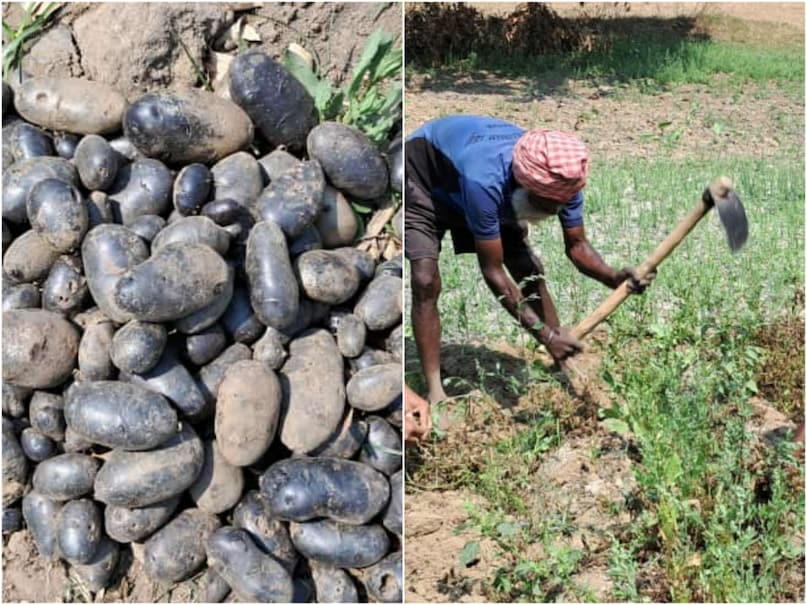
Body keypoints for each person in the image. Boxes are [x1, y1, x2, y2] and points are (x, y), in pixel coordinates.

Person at [405, 115, 653, 407]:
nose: (554, 211)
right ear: (523, 186)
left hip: (485, 184)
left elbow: (578, 246)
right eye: (546, 205)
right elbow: (493, 273)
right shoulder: (486, 181)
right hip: (427, 181)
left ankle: (560, 358)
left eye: (559, 205)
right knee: (425, 281)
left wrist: (612, 278)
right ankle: (435, 391)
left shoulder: (563, 181)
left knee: (528, 269)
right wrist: (544, 335)